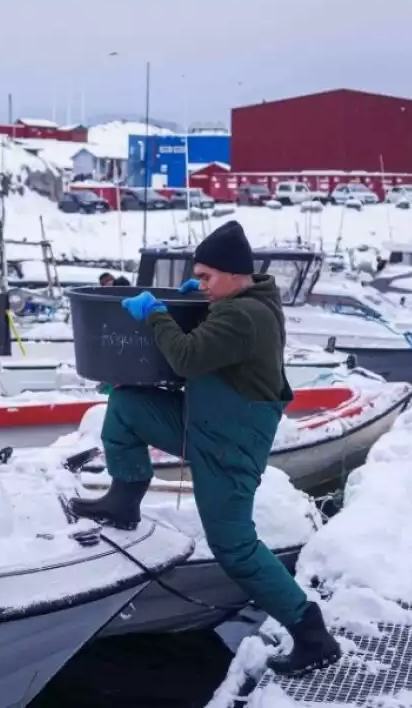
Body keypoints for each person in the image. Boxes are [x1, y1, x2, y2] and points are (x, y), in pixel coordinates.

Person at [69, 220, 341, 676]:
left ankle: (311, 633)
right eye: (199, 276)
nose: (202, 285)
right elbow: (205, 343)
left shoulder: (243, 315)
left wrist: (157, 314)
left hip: (230, 445)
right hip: (204, 421)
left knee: (234, 547)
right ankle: (124, 499)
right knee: (128, 405)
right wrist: (192, 296)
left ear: (235, 274)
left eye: (207, 277)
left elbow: (187, 357)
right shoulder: (247, 297)